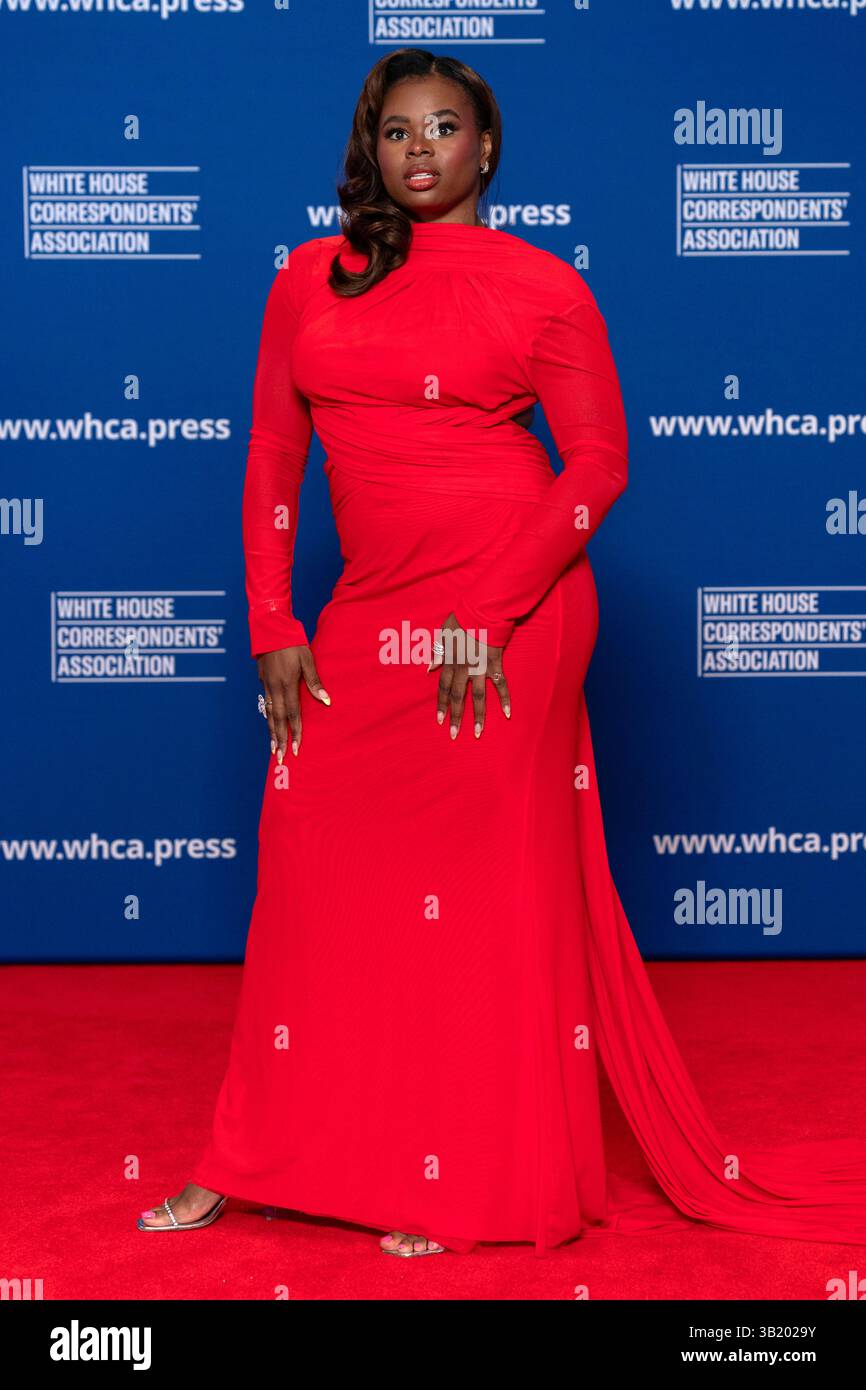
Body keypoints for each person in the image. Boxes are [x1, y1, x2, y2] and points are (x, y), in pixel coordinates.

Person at [138, 48, 866, 1257]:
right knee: (313, 871)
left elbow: (597, 464)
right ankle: (251, 1155)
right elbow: (274, 458)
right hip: (368, 609)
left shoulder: (540, 286)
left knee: (469, 894)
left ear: (487, 149)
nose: (419, 149)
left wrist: (491, 601)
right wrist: (273, 619)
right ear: (368, 149)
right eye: (396, 130)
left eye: (445, 127)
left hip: (511, 612)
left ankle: (450, 1173)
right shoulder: (308, 282)